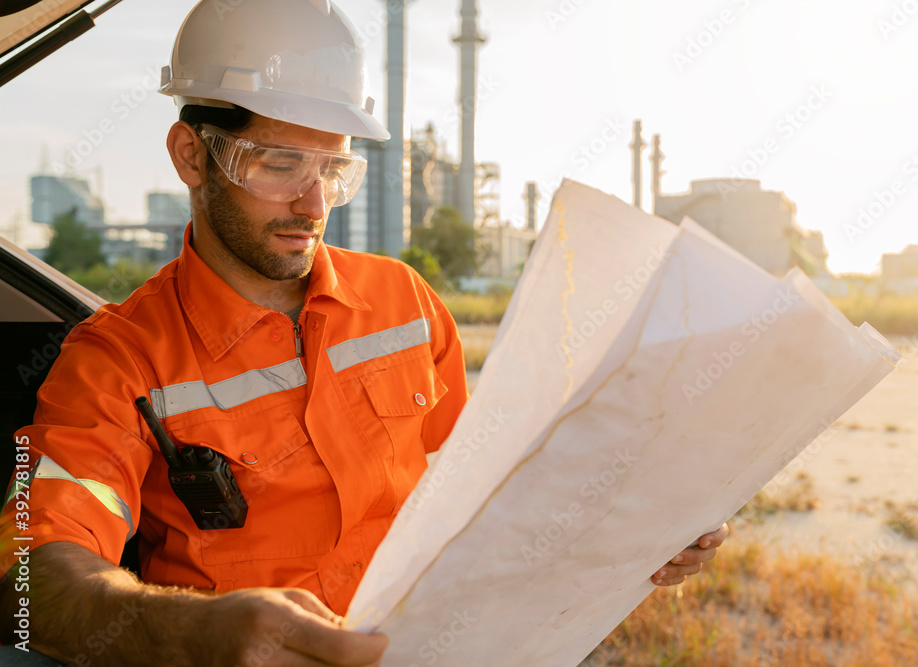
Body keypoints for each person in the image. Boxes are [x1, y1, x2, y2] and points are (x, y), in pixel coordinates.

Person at [0, 1, 727, 664]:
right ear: (192, 155)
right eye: (280, 163)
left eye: (334, 170)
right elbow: (26, 585)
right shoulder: (117, 358)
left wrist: (634, 523)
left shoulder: (402, 300)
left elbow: (485, 499)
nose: (313, 203)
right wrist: (196, 631)